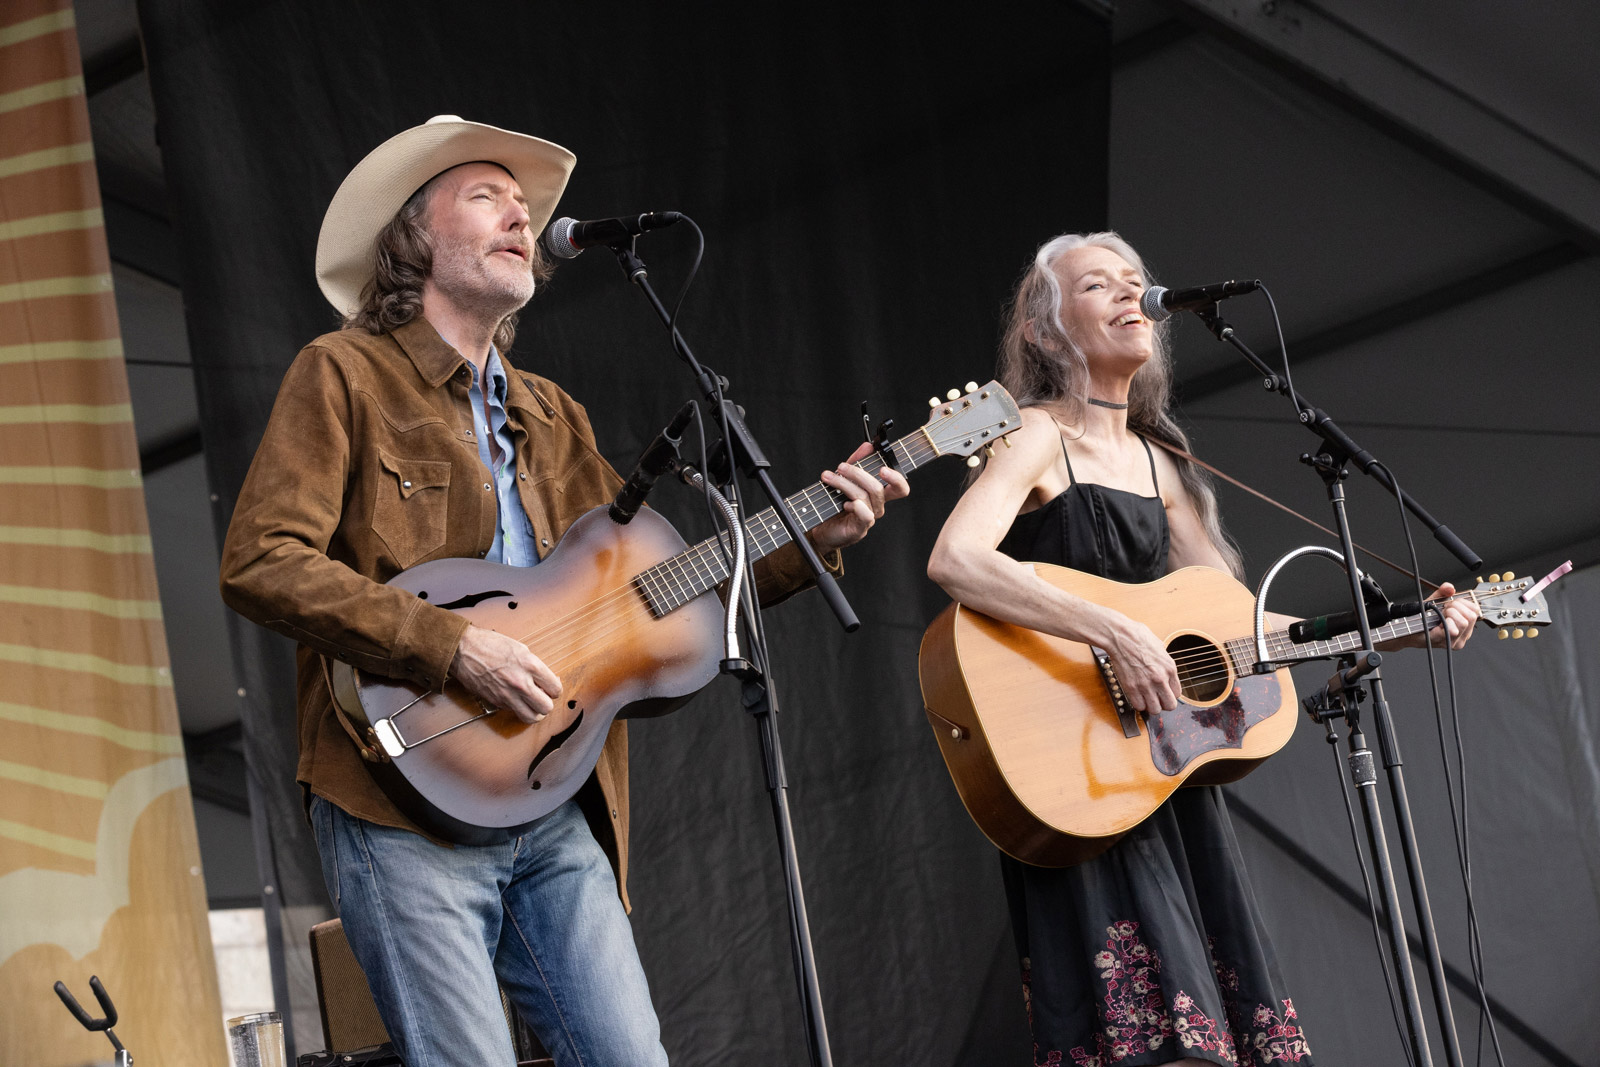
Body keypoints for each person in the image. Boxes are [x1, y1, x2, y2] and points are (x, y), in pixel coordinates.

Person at [219, 116, 908, 1067]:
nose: (521, 214)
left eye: (524, 202)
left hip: (552, 801)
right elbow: (262, 559)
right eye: (486, 195)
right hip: (397, 799)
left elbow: (642, 597)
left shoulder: (552, 413)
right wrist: (452, 645)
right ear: (414, 238)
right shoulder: (342, 374)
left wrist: (809, 539)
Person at [926, 232, 1477, 1066]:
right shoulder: (1034, 434)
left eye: (1135, 282)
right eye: (1096, 286)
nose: (1128, 296)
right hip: (1078, 766)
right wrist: (1111, 628)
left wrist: (1399, 625)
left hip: (1164, 769)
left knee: (1221, 1043)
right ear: (1042, 331)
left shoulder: (1161, 463)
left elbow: (1239, 633)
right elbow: (956, 559)